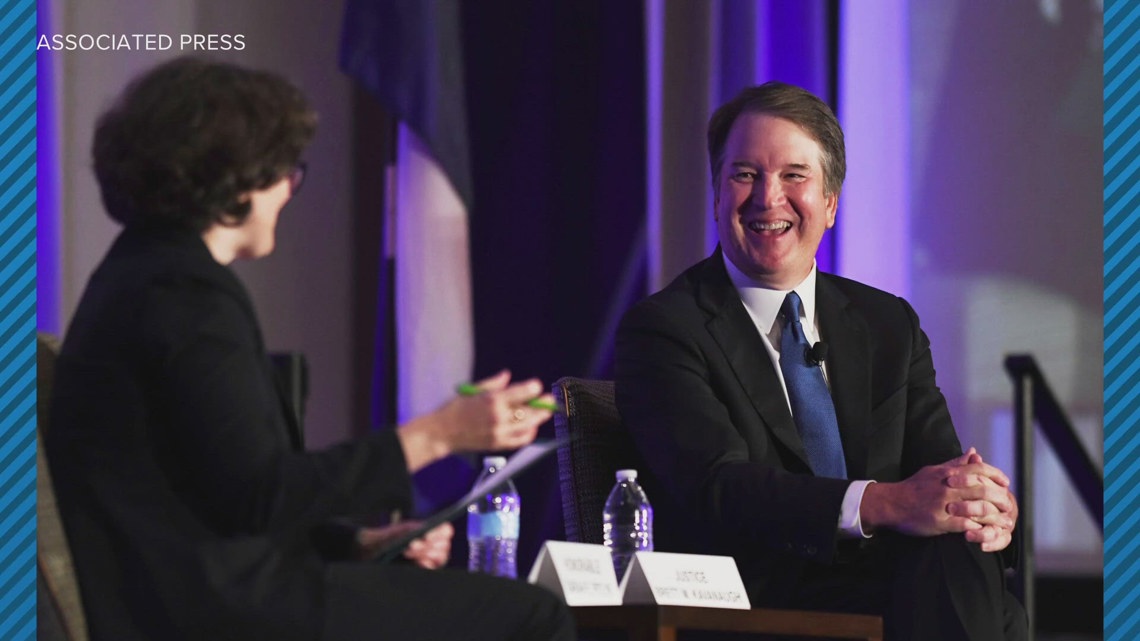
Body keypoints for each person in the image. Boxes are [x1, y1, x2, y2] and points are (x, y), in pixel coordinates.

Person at [45, 56, 575, 641]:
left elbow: (214, 493)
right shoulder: (183, 296)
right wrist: (441, 433)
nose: (289, 190)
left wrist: (354, 541)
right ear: (237, 179)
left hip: (202, 591)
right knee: (534, 616)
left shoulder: (146, 274)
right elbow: (259, 495)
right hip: (214, 611)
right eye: (285, 171)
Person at [614, 81, 1027, 641]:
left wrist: (981, 504)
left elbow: (938, 470)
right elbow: (719, 487)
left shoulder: (888, 324)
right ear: (715, 194)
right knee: (988, 610)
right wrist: (882, 503)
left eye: (793, 176)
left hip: (888, 584)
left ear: (829, 204)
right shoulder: (666, 328)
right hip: (750, 596)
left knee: (961, 545)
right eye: (744, 174)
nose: (767, 198)